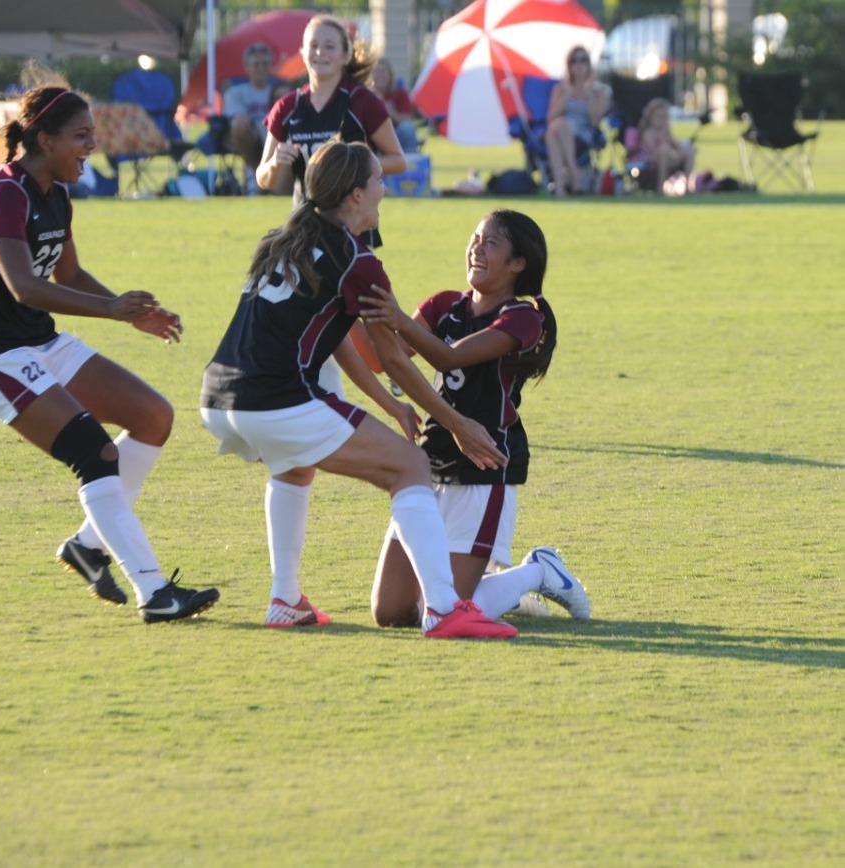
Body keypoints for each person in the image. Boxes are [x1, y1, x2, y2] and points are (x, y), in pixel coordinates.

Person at [200, 140, 516, 639]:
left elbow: (336, 339)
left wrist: (391, 405)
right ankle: (442, 609)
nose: (384, 190)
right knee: (410, 466)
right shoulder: (356, 259)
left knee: (295, 465)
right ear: (354, 196)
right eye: (378, 181)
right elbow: (389, 356)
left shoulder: (283, 238)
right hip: (275, 399)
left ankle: (285, 599)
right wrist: (455, 423)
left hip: (217, 398)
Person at [0, 82, 218, 624]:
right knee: (96, 456)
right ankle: (154, 592)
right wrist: (111, 310)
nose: (93, 145)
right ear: (43, 139)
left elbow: (66, 276)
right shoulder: (5, 192)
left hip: (34, 341)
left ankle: (89, 546)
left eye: (93, 134)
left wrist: (129, 310)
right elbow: (24, 285)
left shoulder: (57, 194)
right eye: (81, 135)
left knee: (153, 416)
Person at [357, 210, 592, 628]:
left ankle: (539, 570)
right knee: (391, 613)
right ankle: (496, 587)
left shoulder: (523, 317)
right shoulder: (444, 305)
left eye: (491, 243)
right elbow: (381, 357)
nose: (476, 248)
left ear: (518, 264)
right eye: (474, 238)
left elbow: (448, 357)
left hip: (484, 467)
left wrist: (395, 320)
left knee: (445, 609)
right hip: (429, 463)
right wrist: (349, 306)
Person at [256, 14, 406, 216]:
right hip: (305, 225)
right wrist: (275, 163)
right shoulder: (287, 106)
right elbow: (263, 179)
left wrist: (354, 167)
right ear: (302, 52)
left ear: (345, 55)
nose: (320, 52)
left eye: (329, 46)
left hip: (354, 224)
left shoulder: (363, 102)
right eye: (313, 45)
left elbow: (398, 161)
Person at [543, 46, 610, 197]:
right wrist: (566, 96)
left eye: (583, 60)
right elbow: (550, 118)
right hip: (560, 132)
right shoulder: (561, 88)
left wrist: (589, 95)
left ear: (589, 64)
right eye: (574, 61)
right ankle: (571, 182)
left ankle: (563, 184)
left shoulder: (600, 90)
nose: (578, 64)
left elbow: (595, 122)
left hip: (584, 136)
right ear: (569, 65)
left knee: (556, 129)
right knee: (556, 127)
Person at [221, 42, 278, 193]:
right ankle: (257, 174)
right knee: (240, 124)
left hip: (276, 137)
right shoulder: (234, 93)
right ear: (247, 67)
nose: (261, 68)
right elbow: (237, 120)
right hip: (248, 139)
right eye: (256, 64)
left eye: (265, 63)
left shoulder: (279, 92)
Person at [630, 97, 696, 194]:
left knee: (689, 150)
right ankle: (661, 186)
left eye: (665, 117)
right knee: (664, 150)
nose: (662, 120)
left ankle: (687, 185)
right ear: (650, 117)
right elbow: (653, 151)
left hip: (667, 158)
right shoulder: (648, 133)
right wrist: (663, 138)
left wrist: (680, 148)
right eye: (659, 117)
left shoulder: (667, 131)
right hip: (650, 162)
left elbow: (676, 147)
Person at [370, 58, 421, 154]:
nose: (381, 75)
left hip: (396, 134)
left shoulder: (400, 93)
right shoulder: (367, 94)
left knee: (407, 128)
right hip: (376, 136)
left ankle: (408, 163)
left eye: (384, 71)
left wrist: (390, 112)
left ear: (390, 75)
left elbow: (409, 119)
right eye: (377, 71)